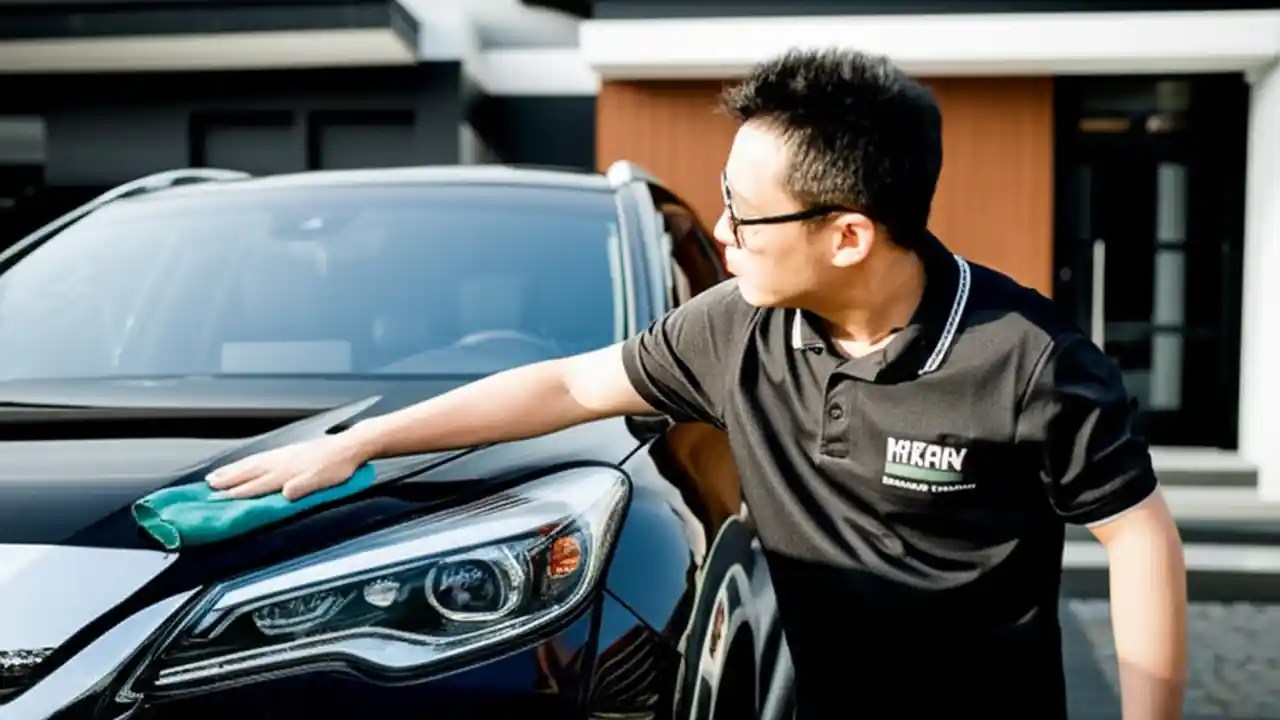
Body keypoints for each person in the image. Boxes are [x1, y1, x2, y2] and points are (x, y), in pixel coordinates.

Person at [206, 48, 1188, 719]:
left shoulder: (1027, 359)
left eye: (740, 215)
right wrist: (359, 442)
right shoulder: (734, 329)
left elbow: (1137, 537)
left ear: (847, 235)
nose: (719, 235)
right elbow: (563, 387)